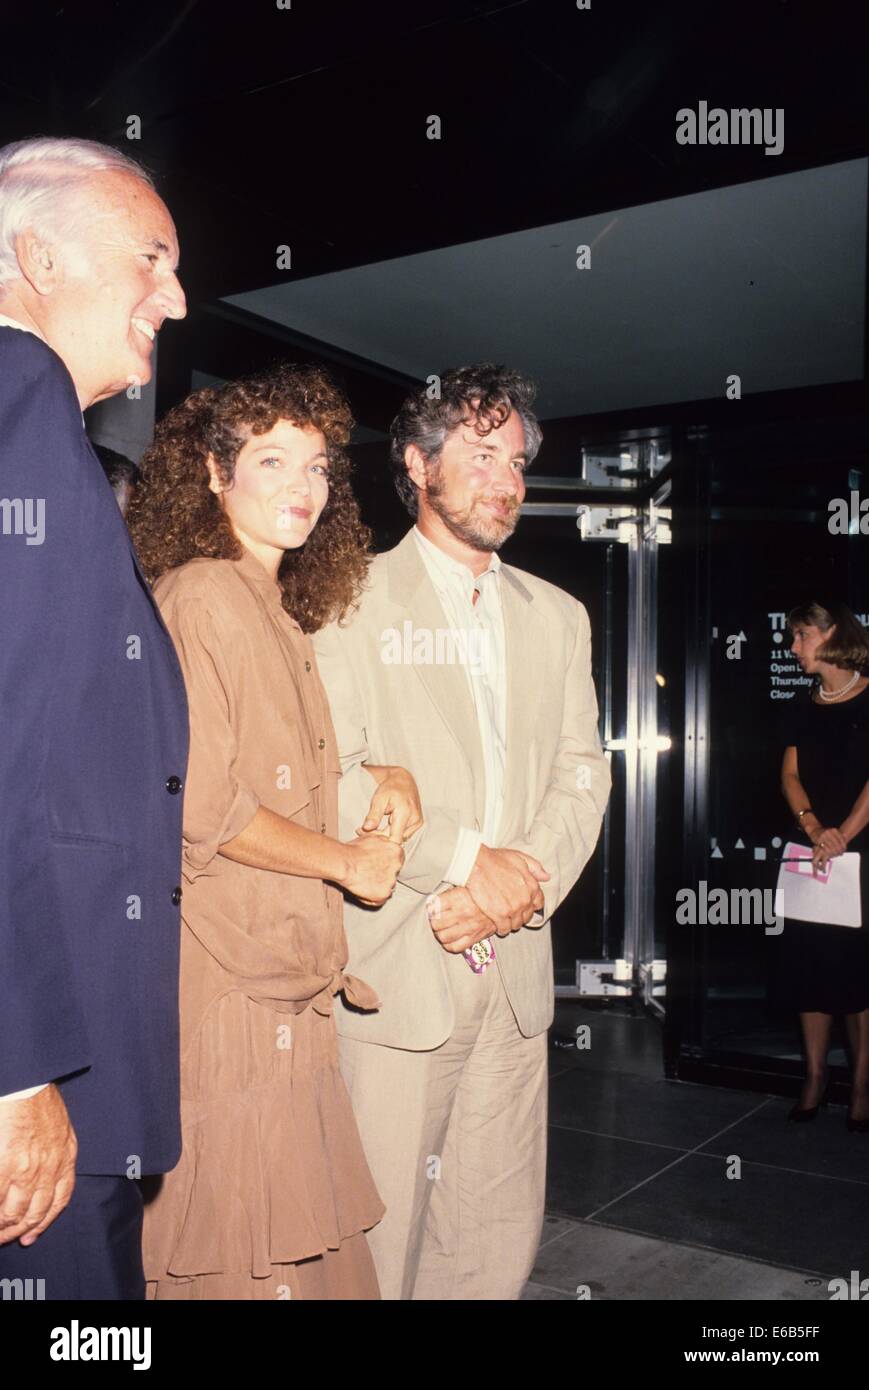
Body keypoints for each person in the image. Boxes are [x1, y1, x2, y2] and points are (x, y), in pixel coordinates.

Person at [312, 363, 611, 1299]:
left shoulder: (559, 617)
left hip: (514, 976)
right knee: (378, 1237)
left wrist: (517, 887)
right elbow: (331, 775)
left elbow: (582, 770)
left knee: (490, 1238)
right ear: (417, 463)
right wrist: (463, 865)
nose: (507, 482)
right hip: (398, 969)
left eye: (517, 462)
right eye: (482, 456)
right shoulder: (345, 598)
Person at [127, 364, 422, 1299]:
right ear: (214, 475)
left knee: (298, 1252)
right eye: (272, 460)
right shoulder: (203, 594)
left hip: (284, 975)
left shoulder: (273, 605)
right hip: (230, 985)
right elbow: (198, 805)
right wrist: (349, 864)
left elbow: (281, 779)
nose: (303, 486)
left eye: (319, 467)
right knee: (238, 1257)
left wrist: (384, 775)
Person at [0, 135, 187, 1299]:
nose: (175, 295)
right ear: (34, 255)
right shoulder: (22, 402)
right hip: (44, 1069)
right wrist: (16, 1072)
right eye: (153, 257)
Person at [775, 600, 869, 1132]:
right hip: (809, 849)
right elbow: (789, 776)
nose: (794, 647)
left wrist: (844, 836)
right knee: (806, 965)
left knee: (857, 972)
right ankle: (814, 1077)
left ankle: (861, 1086)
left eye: (802, 635)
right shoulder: (799, 702)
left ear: (832, 635)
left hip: (860, 850)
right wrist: (815, 830)